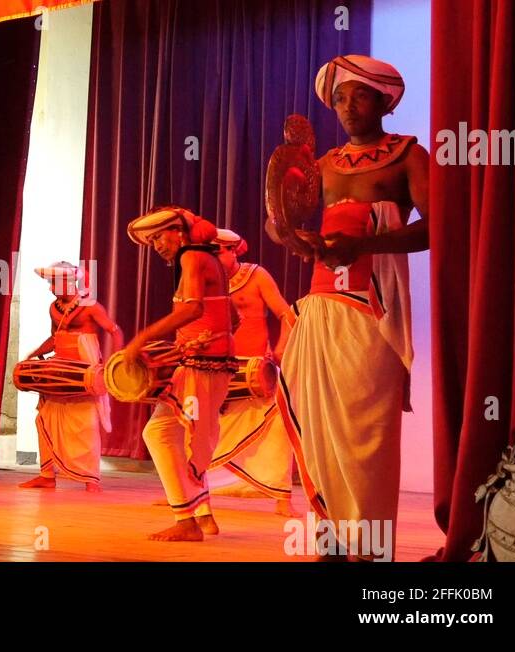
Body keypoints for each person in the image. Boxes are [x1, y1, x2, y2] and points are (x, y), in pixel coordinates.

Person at [268, 55, 429, 558]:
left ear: (384, 99)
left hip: (372, 311)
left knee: (367, 433)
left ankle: (370, 552)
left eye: (359, 94)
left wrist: (365, 246)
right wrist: (293, 237)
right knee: (318, 432)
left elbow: (439, 225)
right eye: (339, 97)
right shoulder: (322, 166)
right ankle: (331, 545)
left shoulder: (408, 155)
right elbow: (282, 221)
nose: (347, 106)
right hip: (319, 308)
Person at [123, 207, 234, 541]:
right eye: (152, 240)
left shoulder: (192, 258)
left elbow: (193, 308)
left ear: (178, 231)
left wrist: (142, 338)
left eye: (159, 236)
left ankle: (188, 520)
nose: (156, 245)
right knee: (185, 438)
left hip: (204, 365)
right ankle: (201, 515)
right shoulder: (204, 258)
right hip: (205, 361)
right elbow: (221, 315)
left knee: (163, 433)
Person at [206, 229, 298, 517]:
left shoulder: (256, 275)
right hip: (222, 365)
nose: (215, 257)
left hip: (256, 365)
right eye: (211, 252)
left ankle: (282, 498)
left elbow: (287, 313)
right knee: (198, 427)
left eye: (220, 251)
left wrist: (281, 347)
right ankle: (190, 493)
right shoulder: (207, 281)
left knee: (279, 428)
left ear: (234, 250)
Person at [18, 262, 123, 492]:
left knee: (85, 424)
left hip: (83, 368)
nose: (51, 288)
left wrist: (116, 361)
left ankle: (91, 480)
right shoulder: (53, 308)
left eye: (54, 283)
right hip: (60, 367)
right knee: (44, 418)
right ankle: (47, 475)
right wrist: (32, 355)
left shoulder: (90, 306)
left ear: (68, 282)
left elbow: (114, 331)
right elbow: (54, 338)